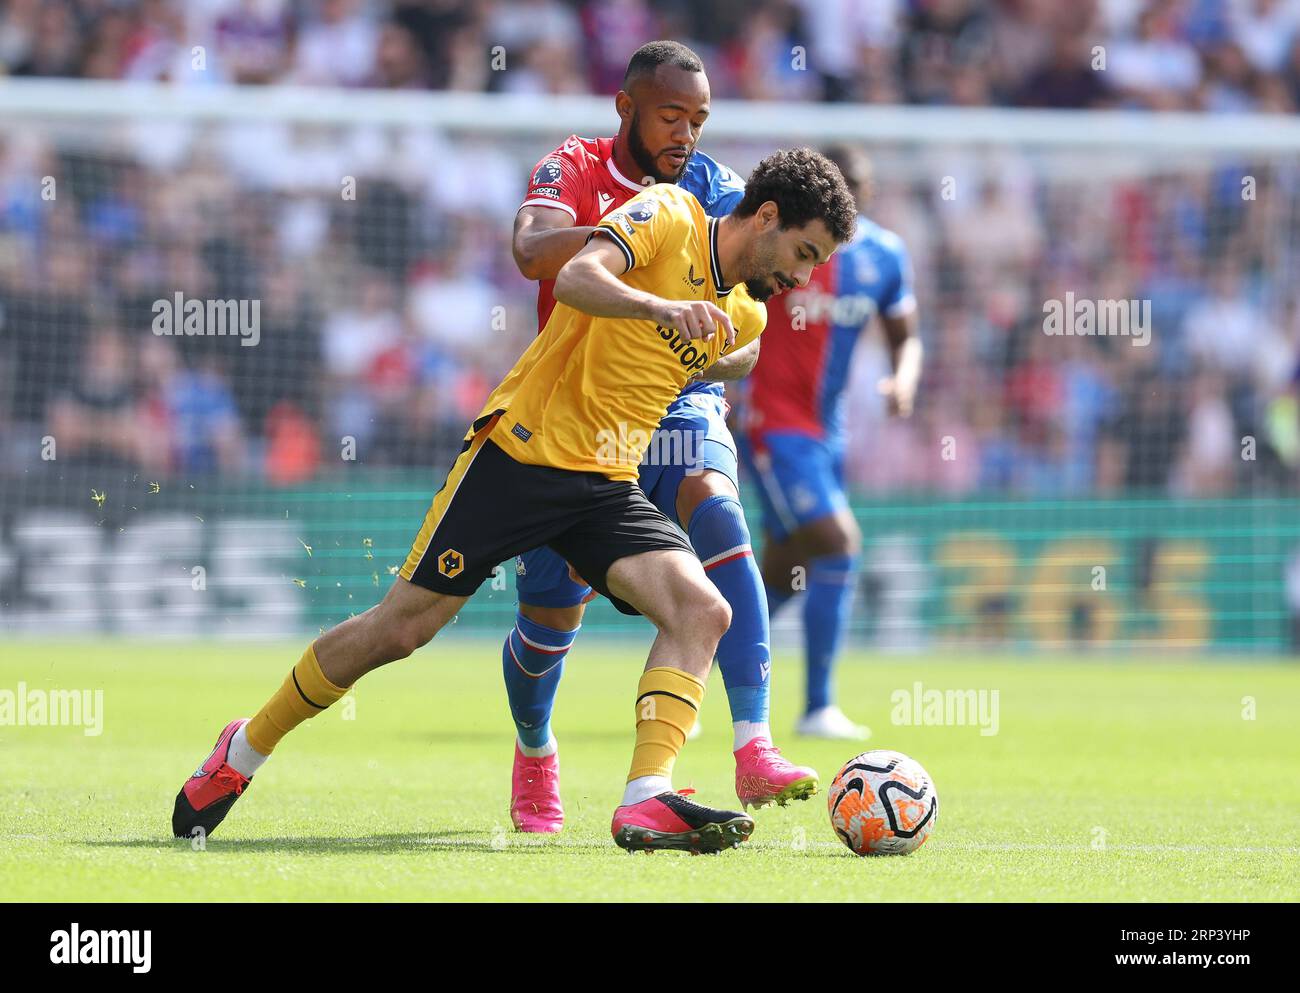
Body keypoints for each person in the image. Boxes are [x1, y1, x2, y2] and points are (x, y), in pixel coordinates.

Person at [171, 147, 856, 854]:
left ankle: (647, 796)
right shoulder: (670, 213)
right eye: (804, 252)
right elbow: (577, 278)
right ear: (766, 216)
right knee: (401, 629)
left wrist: (718, 347)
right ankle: (244, 746)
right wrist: (660, 307)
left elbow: (733, 354)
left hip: (604, 485)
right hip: (518, 456)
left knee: (703, 608)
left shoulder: (746, 315)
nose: (803, 277)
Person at [504, 40, 817, 834]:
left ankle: (754, 743)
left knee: (715, 503)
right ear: (627, 108)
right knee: (548, 621)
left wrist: (700, 345)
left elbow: (749, 338)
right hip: (577, 409)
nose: (686, 135)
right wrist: (637, 244)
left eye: (699, 120)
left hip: (677, 394)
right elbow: (533, 251)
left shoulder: (721, 191)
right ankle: (536, 746)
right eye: (671, 116)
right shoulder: (572, 167)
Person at [739, 145, 922, 738]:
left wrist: (904, 379)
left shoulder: (884, 256)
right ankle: (819, 706)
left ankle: (696, 660)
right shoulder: (787, 247)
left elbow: (905, 336)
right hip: (773, 425)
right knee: (838, 546)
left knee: (784, 573)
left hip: (829, 435)